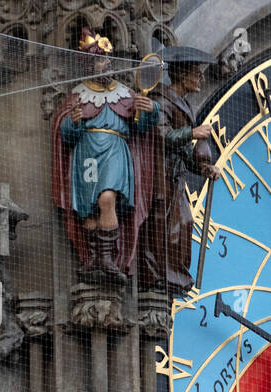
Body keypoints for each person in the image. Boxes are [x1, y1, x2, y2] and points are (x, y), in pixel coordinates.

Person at [50, 28, 161, 283]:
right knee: (89, 209)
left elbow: (141, 127)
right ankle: (93, 260)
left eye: (107, 60)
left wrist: (150, 110)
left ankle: (109, 258)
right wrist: (73, 122)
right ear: (90, 66)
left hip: (114, 151)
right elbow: (65, 133)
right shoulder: (78, 95)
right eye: (100, 61)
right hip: (86, 154)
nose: (106, 65)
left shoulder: (124, 93)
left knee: (107, 198)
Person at [138, 46, 223, 294]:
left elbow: (184, 151)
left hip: (174, 177)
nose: (201, 79)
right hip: (158, 175)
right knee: (165, 225)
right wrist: (193, 133)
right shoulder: (160, 100)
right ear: (183, 75)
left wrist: (203, 168)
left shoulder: (183, 104)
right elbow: (161, 136)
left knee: (183, 223)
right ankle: (157, 275)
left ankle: (171, 275)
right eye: (197, 74)